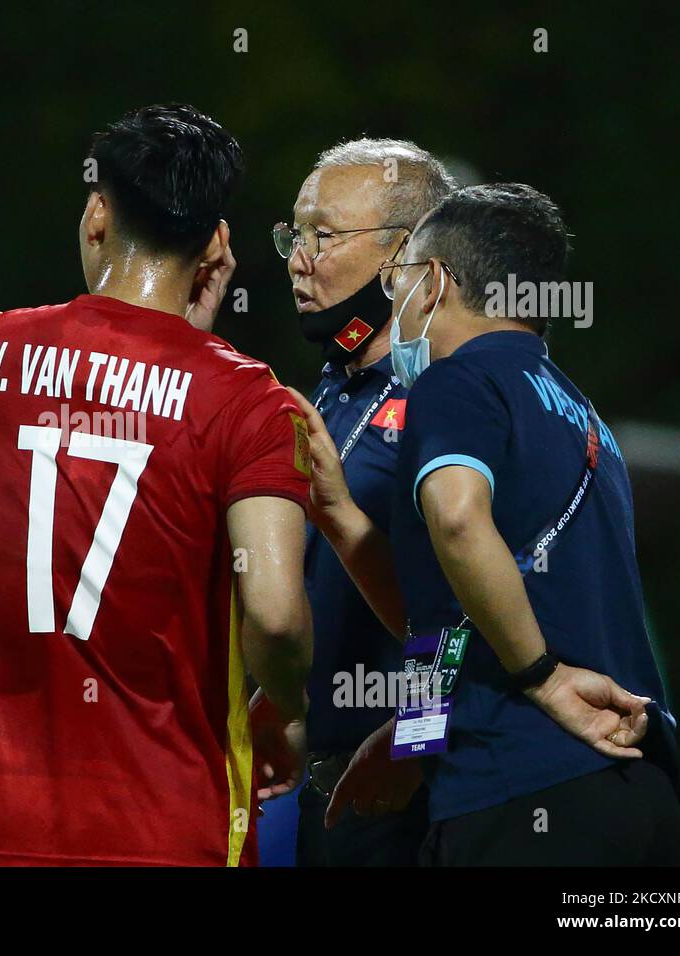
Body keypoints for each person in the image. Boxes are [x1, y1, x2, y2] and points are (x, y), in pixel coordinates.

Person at [0, 104, 313, 866]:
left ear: (98, 212)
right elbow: (271, 614)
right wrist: (291, 708)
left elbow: (105, 419)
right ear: (217, 243)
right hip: (163, 827)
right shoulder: (249, 403)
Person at [295, 183, 680, 865]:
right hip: (640, 791)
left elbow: (456, 521)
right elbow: (449, 616)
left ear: (437, 281)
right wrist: (409, 744)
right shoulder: (583, 416)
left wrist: (541, 677)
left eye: (406, 278)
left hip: (525, 793)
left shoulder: (456, 382)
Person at [269, 139, 455, 866]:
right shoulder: (335, 386)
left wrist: (416, 746)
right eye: (293, 233)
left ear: (399, 254)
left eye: (324, 233)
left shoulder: (443, 393)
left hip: (412, 798)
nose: (297, 257)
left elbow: (458, 605)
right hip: (334, 791)